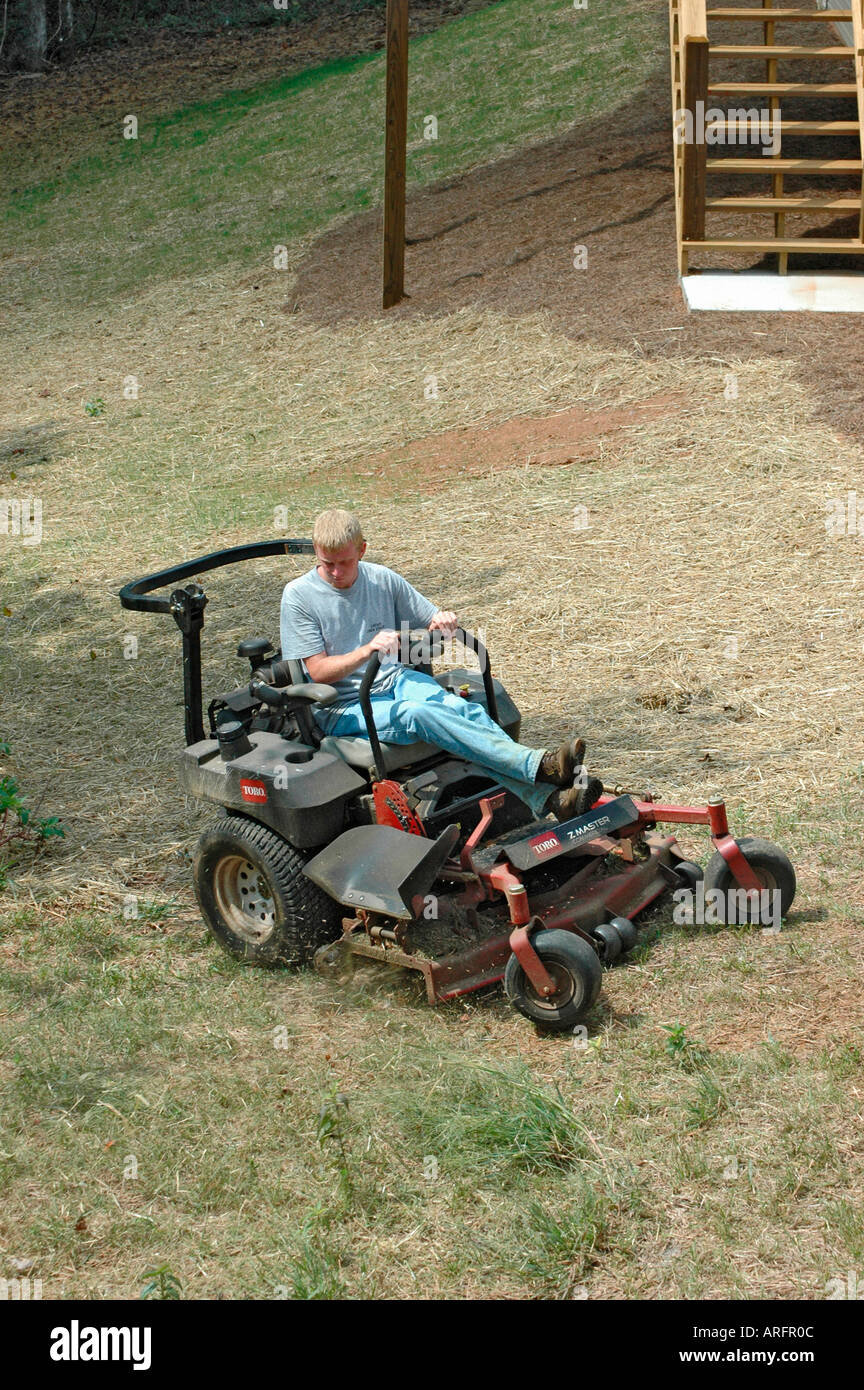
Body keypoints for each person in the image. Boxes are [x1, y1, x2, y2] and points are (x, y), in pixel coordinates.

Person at [280, 509, 599, 821]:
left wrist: (443, 621)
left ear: (362, 549)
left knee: (465, 710)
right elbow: (318, 672)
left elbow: (431, 620)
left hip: (394, 680)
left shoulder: (382, 580)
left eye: (345, 562)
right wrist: (367, 650)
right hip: (344, 705)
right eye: (327, 564)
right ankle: (541, 766)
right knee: (419, 713)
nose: (336, 572)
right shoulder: (299, 596)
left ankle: (551, 799)